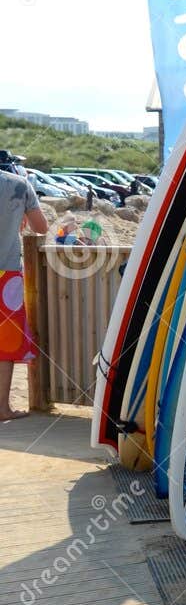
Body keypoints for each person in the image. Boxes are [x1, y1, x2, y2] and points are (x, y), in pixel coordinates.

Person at [0, 150, 48, 421]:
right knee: (4, 344)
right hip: (6, 275)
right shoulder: (19, 185)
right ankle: (2, 408)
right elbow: (41, 228)